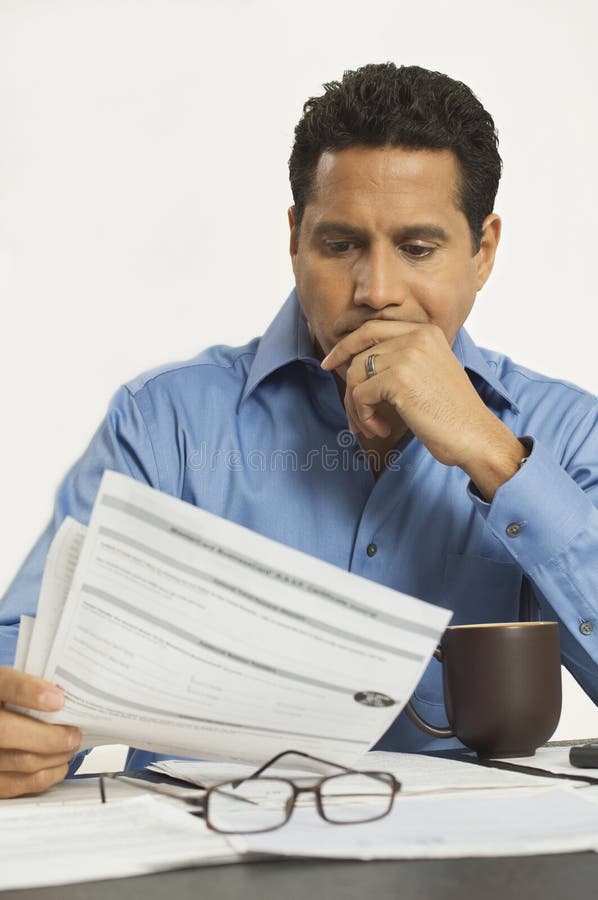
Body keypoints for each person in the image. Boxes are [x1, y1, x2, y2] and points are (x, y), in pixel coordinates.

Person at [2, 62, 598, 798]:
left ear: (483, 252)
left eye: (417, 248)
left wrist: (497, 459)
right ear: (295, 239)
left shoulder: (566, 434)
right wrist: (21, 734)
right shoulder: (166, 425)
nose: (377, 291)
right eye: (341, 244)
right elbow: (27, 665)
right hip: (208, 846)